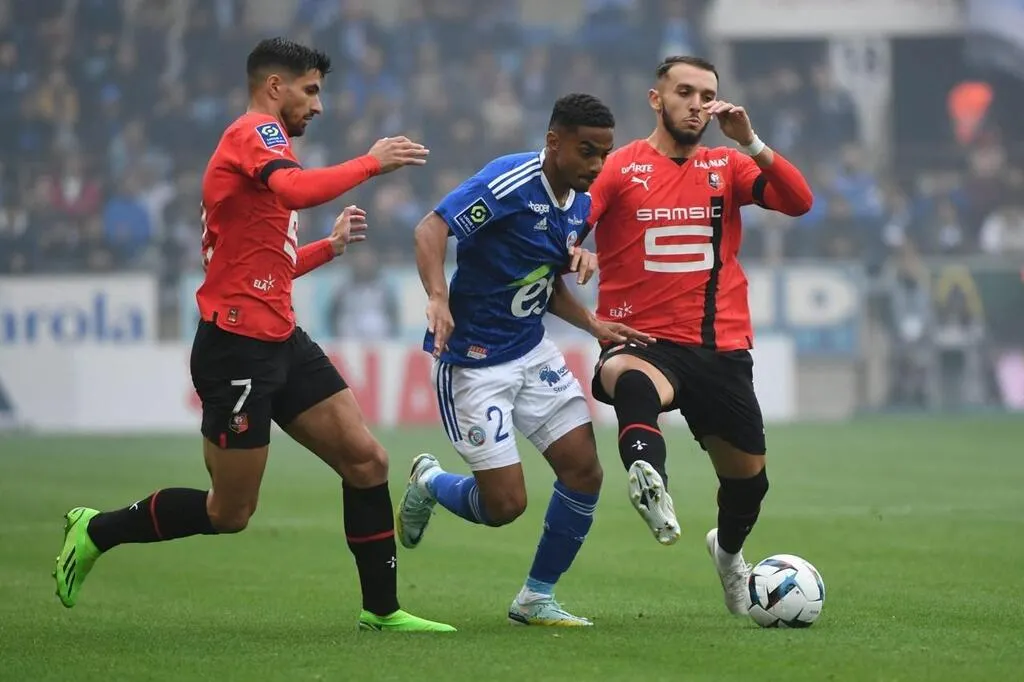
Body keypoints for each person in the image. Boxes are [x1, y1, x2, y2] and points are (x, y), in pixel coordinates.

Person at [52, 37, 454, 633]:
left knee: (367, 460)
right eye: (310, 90)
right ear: (274, 87)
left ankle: (382, 611)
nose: (318, 105)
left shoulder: (265, 152)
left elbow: (267, 266)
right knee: (230, 511)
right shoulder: (255, 133)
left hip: (281, 339)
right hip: (235, 351)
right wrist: (371, 162)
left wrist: (328, 247)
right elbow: (296, 190)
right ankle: (97, 529)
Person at [397, 94, 652, 626]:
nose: (597, 165)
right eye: (587, 151)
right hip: (474, 363)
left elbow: (544, 281)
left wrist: (592, 324)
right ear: (554, 142)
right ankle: (429, 482)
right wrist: (438, 298)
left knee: (584, 471)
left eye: (605, 153)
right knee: (505, 506)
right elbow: (430, 229)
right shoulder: (508, 182)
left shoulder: (579, 203)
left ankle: (536, 597)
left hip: (533, 351)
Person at [584, 56, 814, 615]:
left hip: (719, 348)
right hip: (641, 338)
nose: (696, 104)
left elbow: (799, 201)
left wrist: (751, 141)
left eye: (706, 95)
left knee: (748, 484)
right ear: (656, 99)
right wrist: (573, 247)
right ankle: (651, 481)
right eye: (684, 92)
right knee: (631, 381)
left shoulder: (727, 165)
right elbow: (572, 220)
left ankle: (728, 554)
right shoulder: (619, 168)